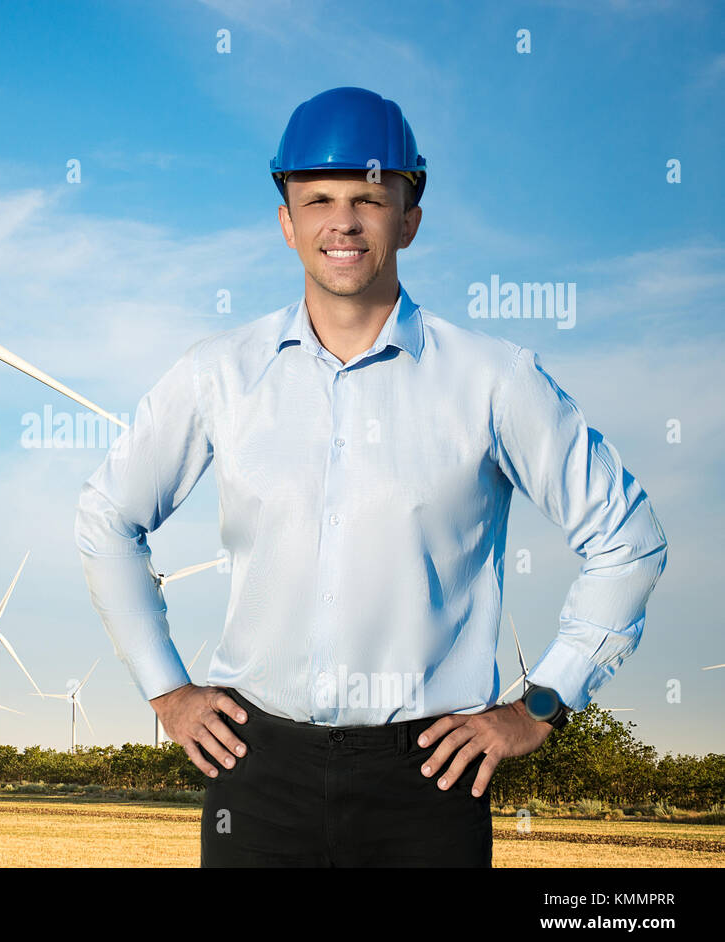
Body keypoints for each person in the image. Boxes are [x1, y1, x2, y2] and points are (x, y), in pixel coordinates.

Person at [73, 87, 669, 867]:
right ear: (286, 222)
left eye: (369, 198)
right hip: (255, 778)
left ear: (409, 218)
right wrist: (166, 687)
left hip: (430, 782)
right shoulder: (218, 373)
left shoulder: (495, 379)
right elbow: (106, 517)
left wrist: (543, 703)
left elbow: (628, 539)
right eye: (317, 198)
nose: (342, 222)